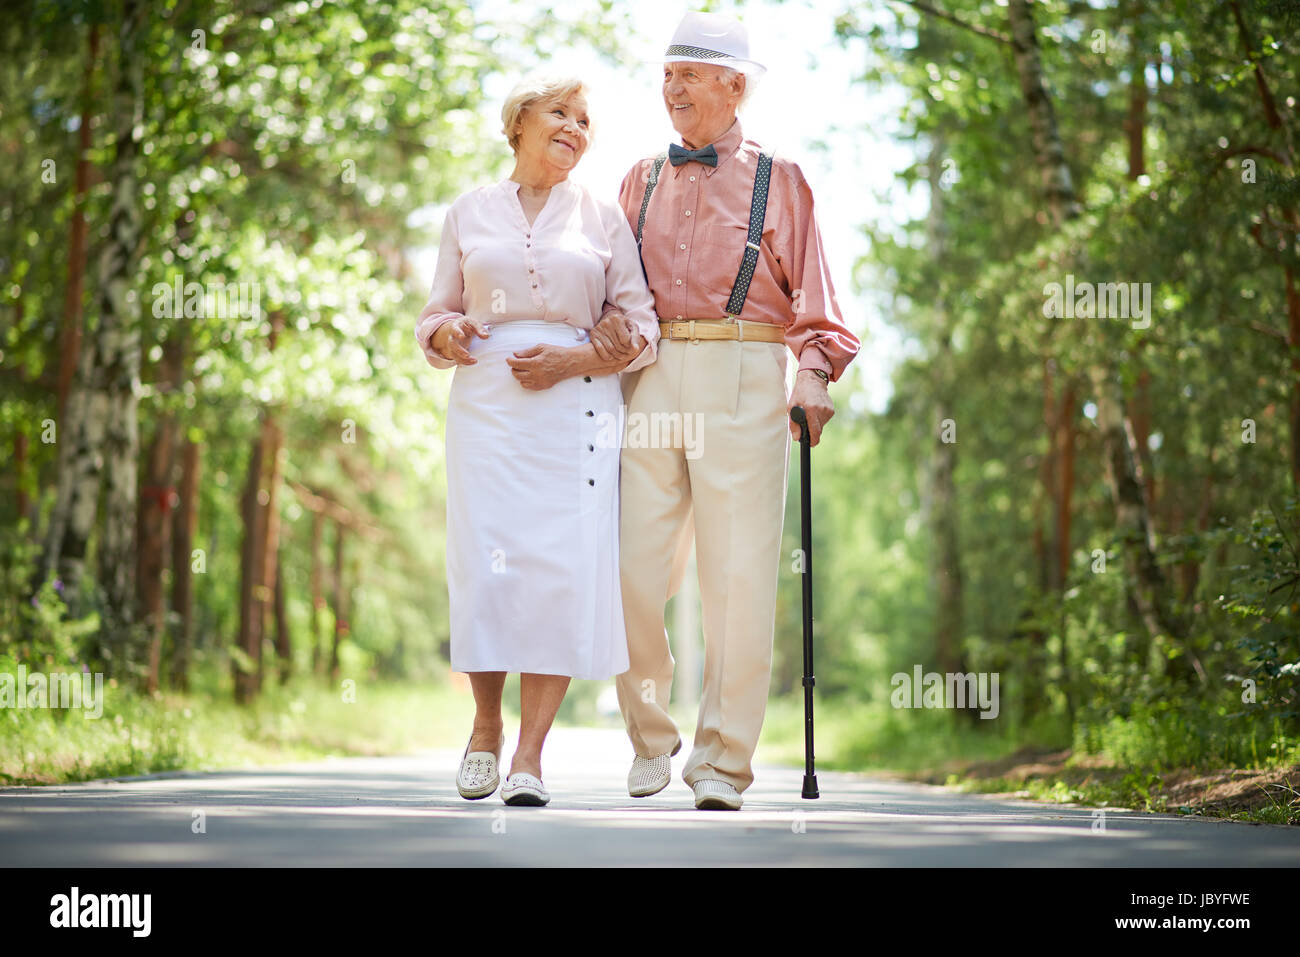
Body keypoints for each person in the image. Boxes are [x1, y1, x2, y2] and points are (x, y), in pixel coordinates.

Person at [590, 11, 860, 810]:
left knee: (737, 579)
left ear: (733, 86)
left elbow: (819, 300)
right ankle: (649, 732)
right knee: (631, 570)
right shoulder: (637, 177)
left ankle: (721, 764)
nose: (671, 87)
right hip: (652, 371)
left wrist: (814, 374)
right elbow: (610, 288)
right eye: (667, 72)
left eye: (689, 73)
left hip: (746, 364)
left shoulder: (783, 179)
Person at [414, 74, 658, 806]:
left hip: (576, 409)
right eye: (562, 113)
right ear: (520, 121)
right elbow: (433, 317)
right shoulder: (468, 211)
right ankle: (485, 727)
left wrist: (577, 359)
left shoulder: (604, 217)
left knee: (559, 571)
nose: (577, 129)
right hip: (486, 409)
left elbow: (641, 328)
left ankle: (530, 755)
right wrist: (449, 334)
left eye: (586, 121)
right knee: (488, 569)